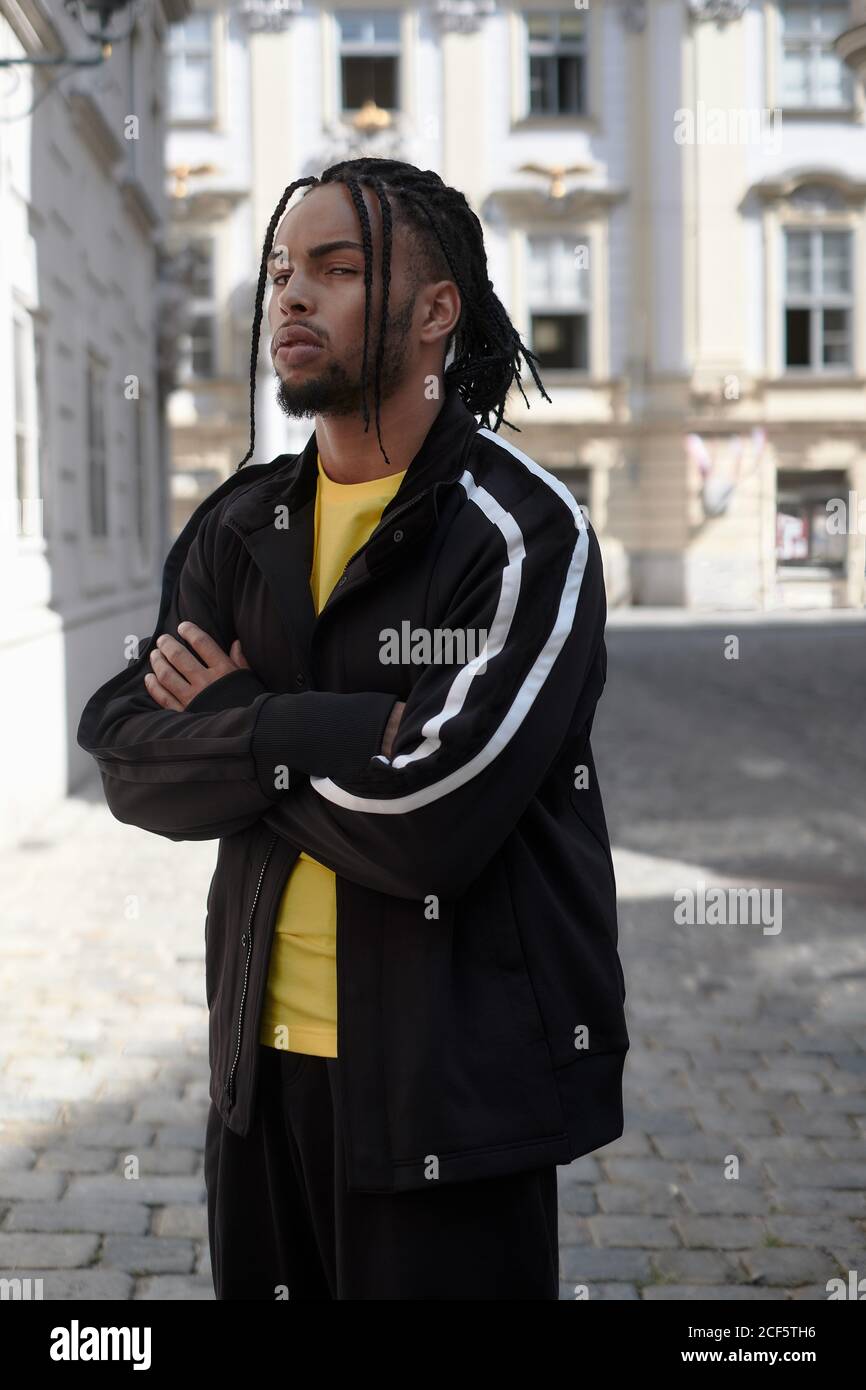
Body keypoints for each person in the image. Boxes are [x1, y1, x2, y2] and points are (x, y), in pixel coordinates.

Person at [77, 158, 629, 1300]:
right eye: (282, 269)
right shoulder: (240, 522)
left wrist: (230, 720)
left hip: (446, 1098)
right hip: (259, 1084)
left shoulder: (520, 532)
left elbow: (430, 818)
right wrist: (312, 731)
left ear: (437, 312)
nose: (290, 296)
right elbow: (128, 755)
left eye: (335, 269)